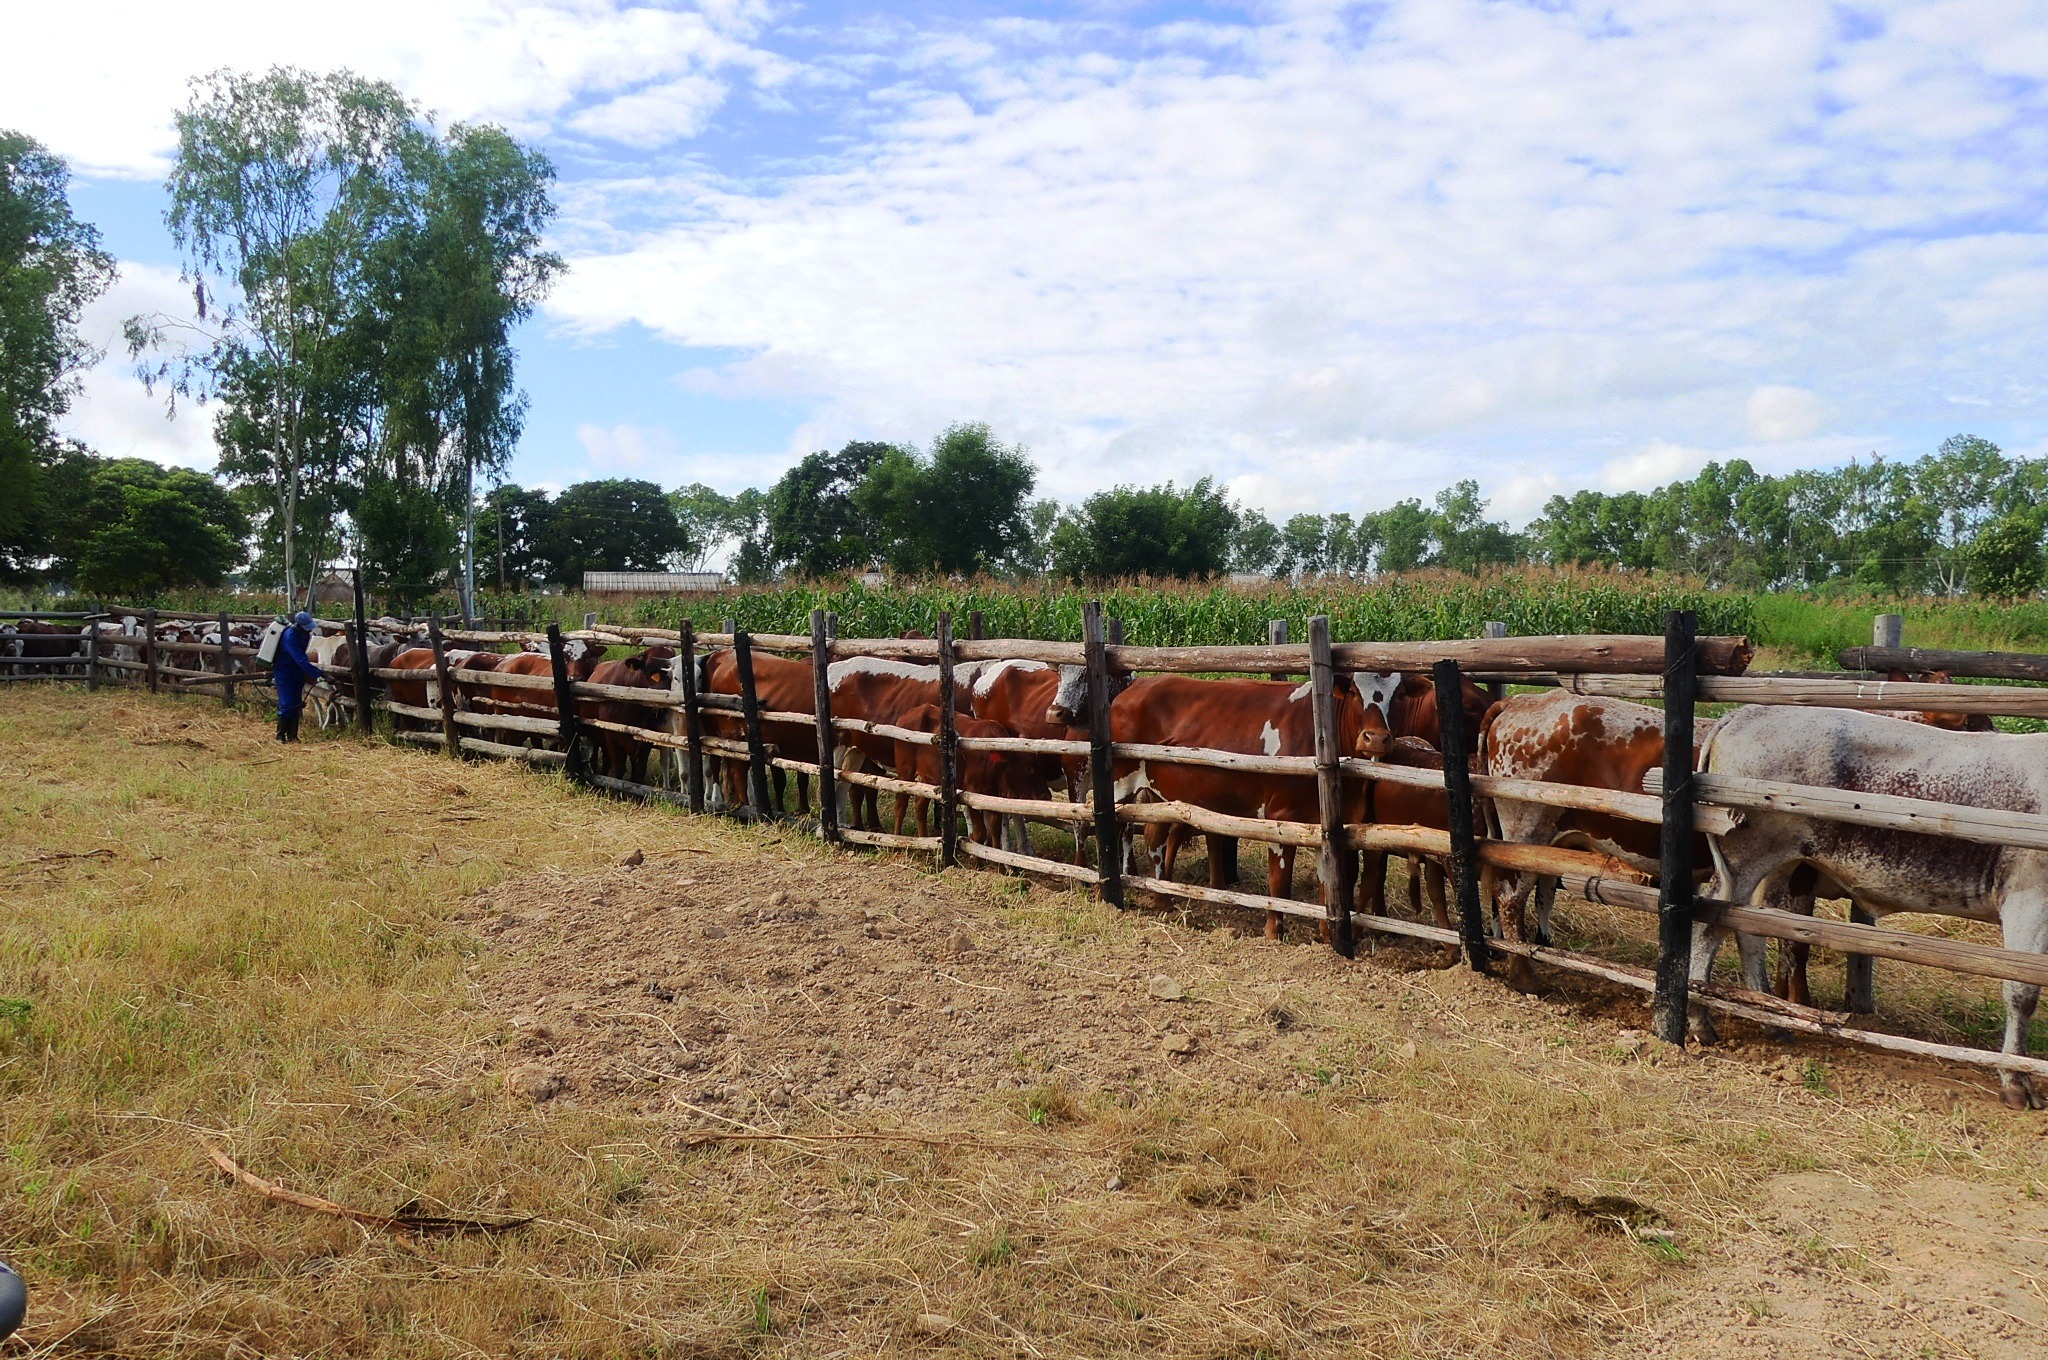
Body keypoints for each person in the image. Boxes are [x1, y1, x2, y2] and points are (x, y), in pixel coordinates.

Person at [273, 611, 326, 743]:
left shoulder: (305, 636)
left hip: (296, 670)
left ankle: (293, 735)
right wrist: (320, 674)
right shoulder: (289, 636)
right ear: (299, 625)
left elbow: (301, 659)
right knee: (287, 702)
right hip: (284, 670)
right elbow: (301, 659)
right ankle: (280, 735)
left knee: (296, 702)